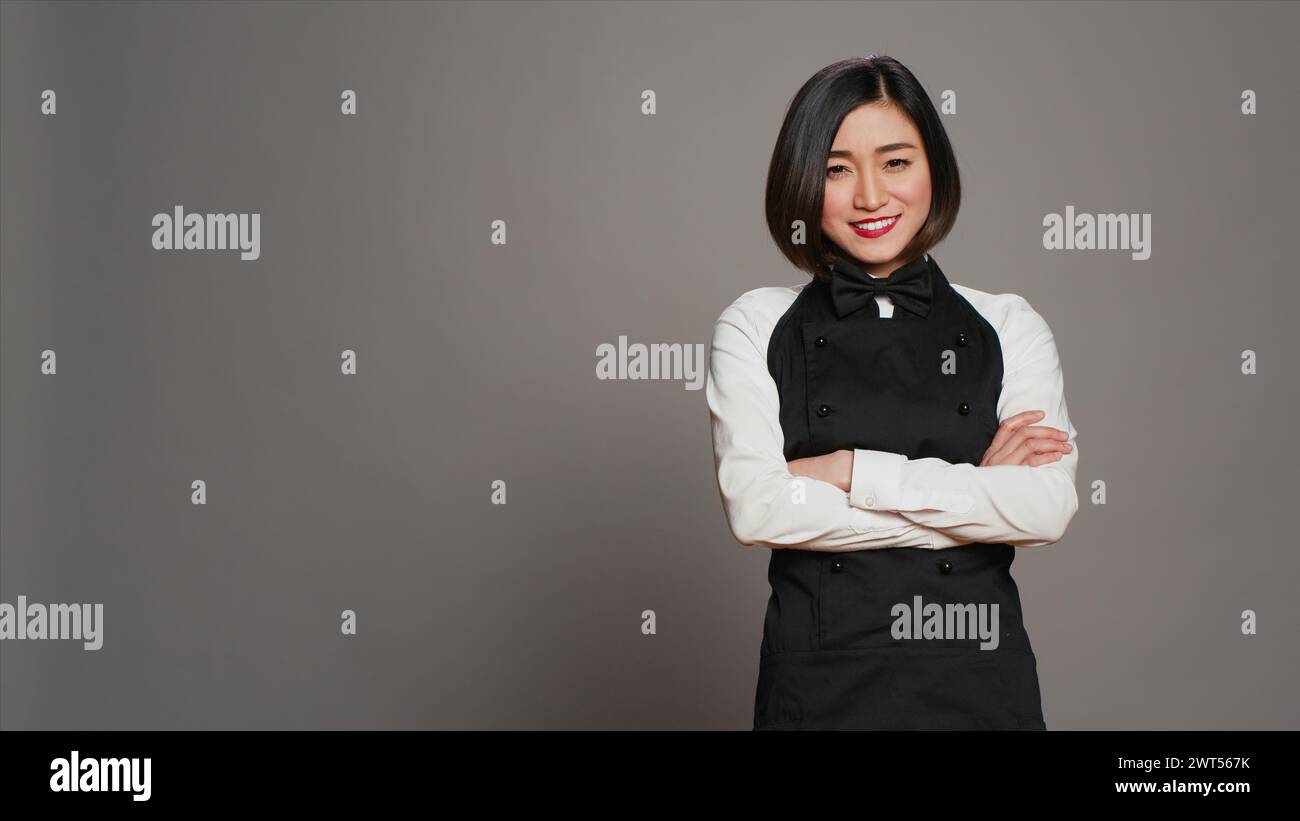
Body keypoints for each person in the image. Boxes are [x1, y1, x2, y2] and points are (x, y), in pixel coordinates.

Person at [705, 55, 1081, 730]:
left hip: (979, 678)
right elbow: (758, 509)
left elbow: (1045, 508)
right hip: (821, 683)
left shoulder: (1008, 323)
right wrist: (974, 497)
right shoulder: (755, 323)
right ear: (801, 181)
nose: (871, 196)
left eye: (896, 161)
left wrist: (850, 471)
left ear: (934, 167)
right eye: (836, 168)